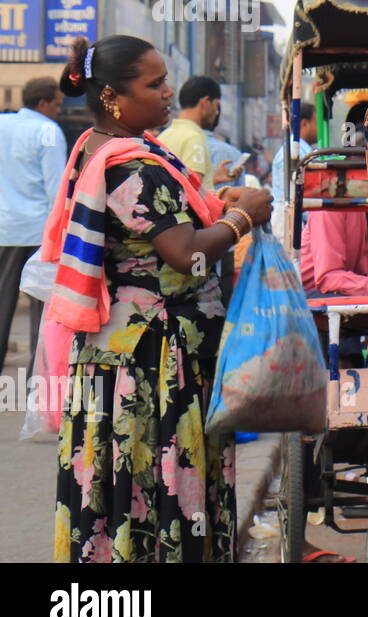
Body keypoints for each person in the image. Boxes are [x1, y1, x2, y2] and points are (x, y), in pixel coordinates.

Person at [45, 35, 272, 563]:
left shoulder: (98, 149)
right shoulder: (134, 166)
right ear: (111, 98)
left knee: (118, 482)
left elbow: (166, 215)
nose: (169, 92)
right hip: (154, 361)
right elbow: (183, 252)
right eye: (154, 83)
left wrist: (217, 202)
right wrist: (242, 218)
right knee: (158, 481)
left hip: (112, 353)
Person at [0, 76, 66, 371]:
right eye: (57, 104)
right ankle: (37, 379)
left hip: (4, 229)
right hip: (40, 232)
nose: (59, 110)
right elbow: (57, 189)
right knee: (43, 307)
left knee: (2, 303)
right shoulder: (48, 131)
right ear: (43, 103)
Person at [158, 75, 236, 188]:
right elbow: (193, 190)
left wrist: (212, 180)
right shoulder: (194, 138)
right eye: (216, 106)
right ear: (205, 103)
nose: (217, 113)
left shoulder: (164, 136)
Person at [270, 101, 318, 240]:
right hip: (290, 224)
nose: (318, 129)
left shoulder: (303, 151)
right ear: (304, 124)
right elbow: (294, 196)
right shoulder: (295, 154)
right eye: (316, 123)